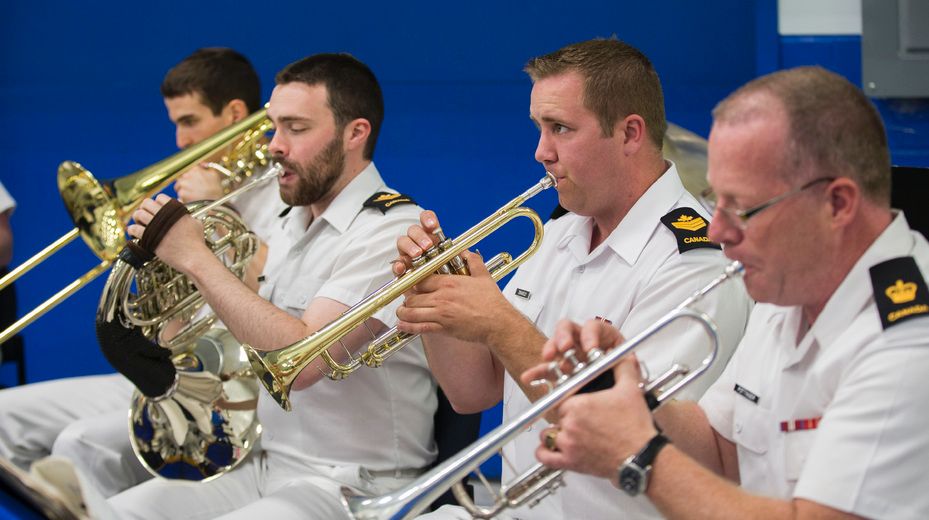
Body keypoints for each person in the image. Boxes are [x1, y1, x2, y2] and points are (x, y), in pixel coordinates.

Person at [529, 66, 929, 520]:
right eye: (715, 201)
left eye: (742, 208)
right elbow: (721, 446)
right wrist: (627, 385)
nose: (717, 229)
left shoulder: (908, 341)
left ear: (836, 204)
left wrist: (638, 455)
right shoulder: (791, 287)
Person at [394, 38, 751, 519]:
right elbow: (472, 393)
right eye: (539, 128)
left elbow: (628, 436)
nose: (541, 151)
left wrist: (498, 322)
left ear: (629, 134)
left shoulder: (692, 260)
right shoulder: (560, 232)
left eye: (560, 128)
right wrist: (440, 300)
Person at [103, 52, 437, 519]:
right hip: (267, 463)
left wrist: (195, 256)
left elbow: (302, 363)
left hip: (353, 484)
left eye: (296, 129)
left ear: (355, 133)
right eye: (274, 127)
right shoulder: (287, 222)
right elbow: (209, 332)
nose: (274, 146)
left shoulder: (390, 229)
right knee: (121, 513)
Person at [0, 47, 282, 497]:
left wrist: (222, 206)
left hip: (234, 389)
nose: (179, 140)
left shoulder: (281, 189)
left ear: (233, 115)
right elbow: (169, 327)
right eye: (175, 123)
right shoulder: (196, 191)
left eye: (189, 121)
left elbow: (284, 298)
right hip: (169, 370)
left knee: (80, 444)